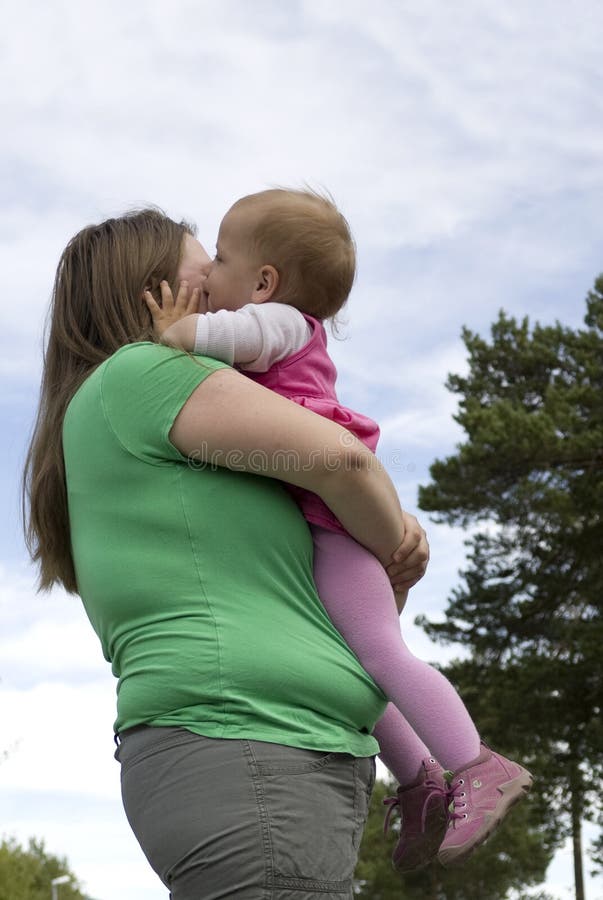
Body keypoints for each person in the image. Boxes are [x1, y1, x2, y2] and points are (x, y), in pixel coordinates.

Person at [23, 207, 431, 900]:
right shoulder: (142, 373)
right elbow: (343, 463)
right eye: (203, 259)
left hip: (271, 751)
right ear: (152, 287)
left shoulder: (162, 416)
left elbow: (332, 609)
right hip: (247, 749)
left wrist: (387, 559)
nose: (219, 273)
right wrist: (392, 529)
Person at [145, 188, 533, 872]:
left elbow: (225, 339)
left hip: (333, 523)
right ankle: (419, 780)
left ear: (264, 283)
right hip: (316, 524)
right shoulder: (284, 328)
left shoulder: (281, 325)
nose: (211, 278)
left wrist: (173, 333)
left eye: (224, 260)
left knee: (380, 652)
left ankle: (475, 763)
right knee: (347, 659)